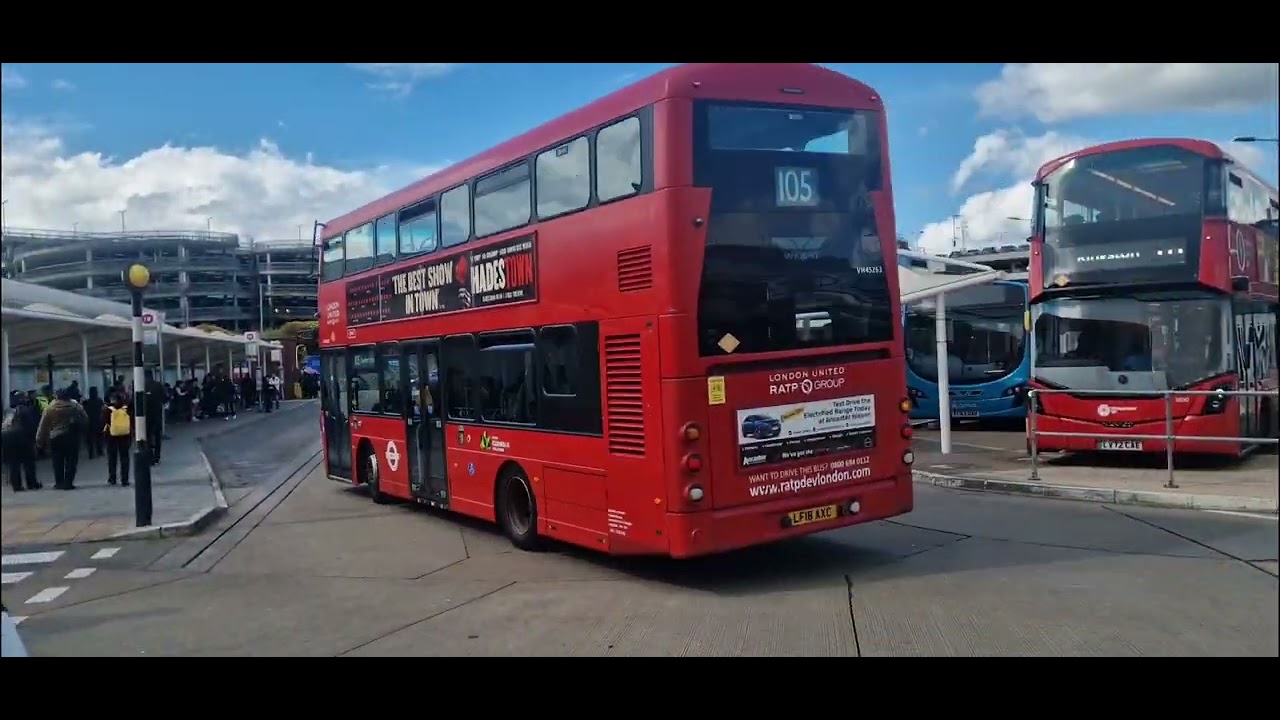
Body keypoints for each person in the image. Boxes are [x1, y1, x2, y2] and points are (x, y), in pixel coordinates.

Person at [35, 389, 88, 490]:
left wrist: (39, 440)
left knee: (57, 461)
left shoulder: (50, 408)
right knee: (71, 460)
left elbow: (43, 426)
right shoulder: (75, 407)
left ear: (57, 397)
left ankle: (59, 483)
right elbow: (85, 419)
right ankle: (68, 483)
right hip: (72, 437)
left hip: (55, 438)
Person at [2, 393, 41, 492]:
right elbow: (31, 426)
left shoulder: (8, 412)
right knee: (29, 462)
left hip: (7, 438)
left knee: (13, 464)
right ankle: (31, 483)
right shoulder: (26, 410)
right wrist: (34, 439)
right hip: (22, 437)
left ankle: (16, 486)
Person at [103, 392, 132, 487]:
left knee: (112, 458)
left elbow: (103, 422)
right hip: (124, 435)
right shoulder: (126, 408)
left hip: (111, 436)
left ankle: (112, 478)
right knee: (124, 458)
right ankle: (125, 479)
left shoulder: (107, 410)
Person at [144, 370, 165, 464]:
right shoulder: (158, 385)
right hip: (157, 413)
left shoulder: (141, 385)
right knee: (157, 436)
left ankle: (149, 457)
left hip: (145, 415)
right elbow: (164, 398)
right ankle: (156, 457)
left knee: (147, 436)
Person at [81, 386, 105, 459]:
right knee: (99, 437)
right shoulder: (99, 401)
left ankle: (91, 454)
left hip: (89, 422)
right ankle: (99, 451)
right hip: (98, 421)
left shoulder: (86, 402)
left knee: (90, 439)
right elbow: (103, 410)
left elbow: (83, 411)